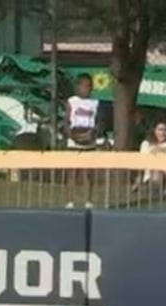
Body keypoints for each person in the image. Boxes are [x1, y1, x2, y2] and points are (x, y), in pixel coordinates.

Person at [63, 73, 102, 209]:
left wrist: (93, 133)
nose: (88, 88)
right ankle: (70, 201)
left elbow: (98, 122)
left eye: (90, 86)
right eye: (85, 85)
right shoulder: (72, 101)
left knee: (88, 173)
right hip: (74, 140)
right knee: (72, 172)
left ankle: (88, 201)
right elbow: (66, 121)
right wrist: (72, 135)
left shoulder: (95, 103)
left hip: (89, 140)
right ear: (78, 86)